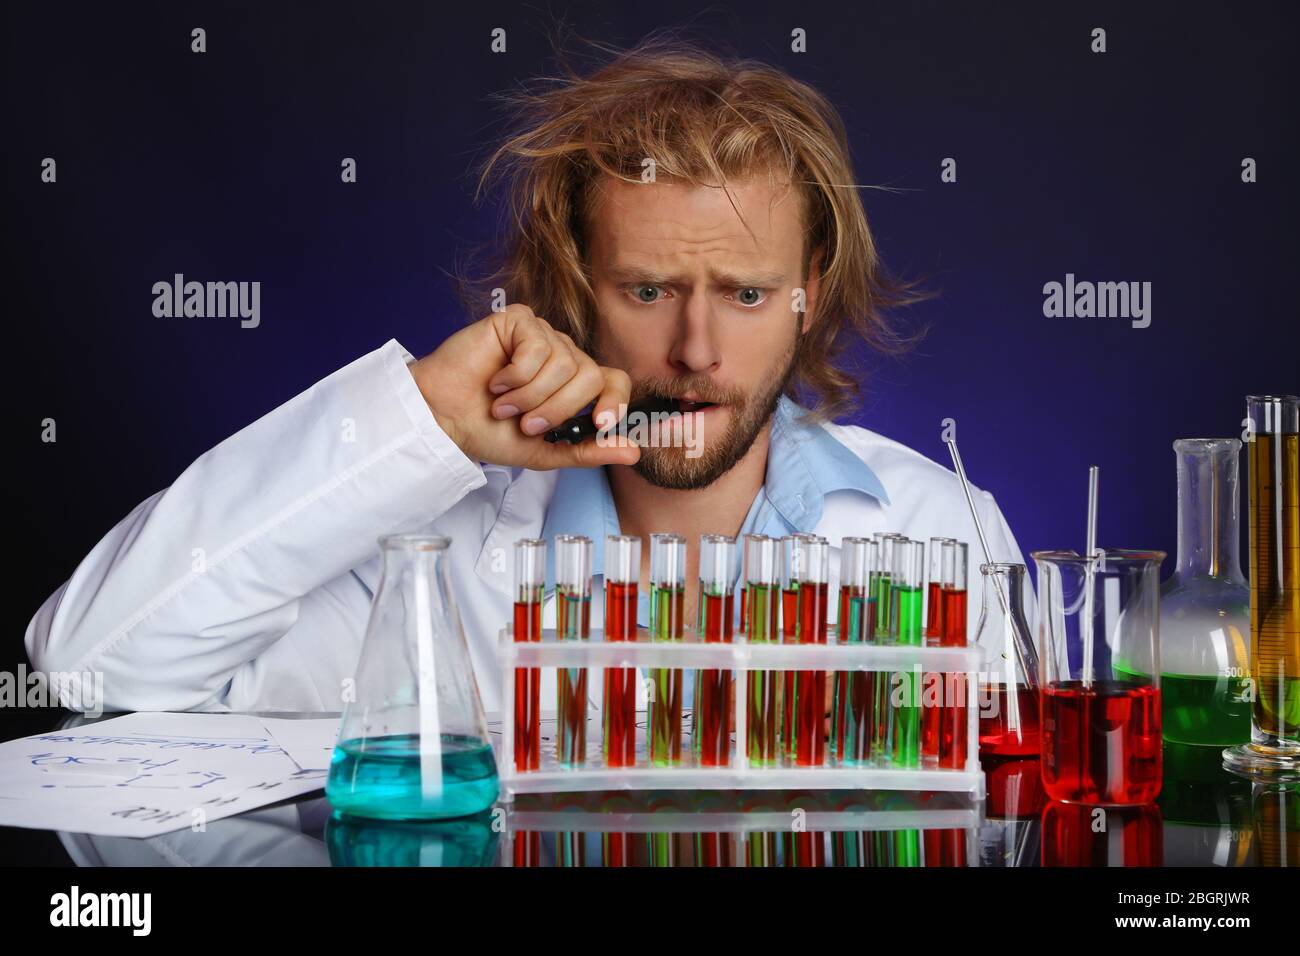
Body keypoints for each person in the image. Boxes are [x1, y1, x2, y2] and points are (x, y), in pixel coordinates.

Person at [26, 40, 1024, 717]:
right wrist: (420, 417)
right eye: (646, 287)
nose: (697, 348)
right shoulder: (433, 556)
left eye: (749, 294)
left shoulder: (947, 535)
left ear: (810, 292)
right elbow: (89, 661)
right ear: (571, 289)